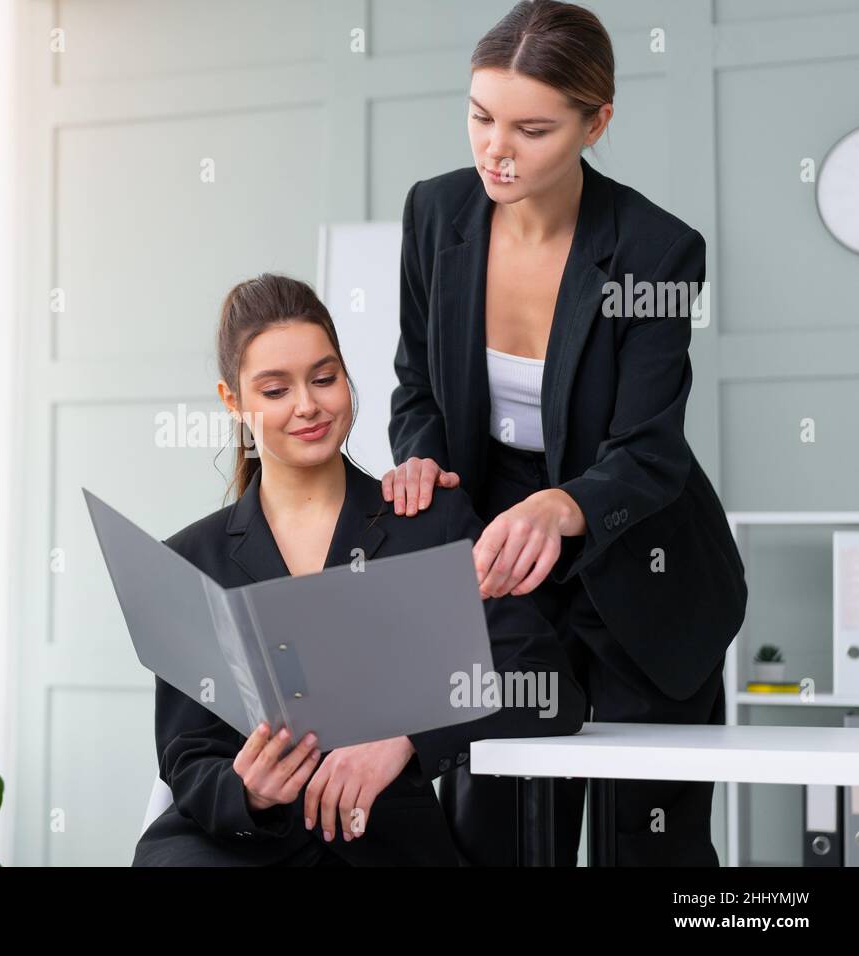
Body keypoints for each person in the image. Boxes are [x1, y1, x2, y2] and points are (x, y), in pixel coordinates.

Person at [385, 0, 748, 865]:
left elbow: (649, 451)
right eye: (480, 117)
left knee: (648, 849)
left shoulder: (655, 252)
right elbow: (415, 389)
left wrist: (560, 506)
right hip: (500, 578)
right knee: (495, 833)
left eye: (533, 128)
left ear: (597, 123)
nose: (496, 150)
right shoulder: (435, 215)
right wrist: (421, 459)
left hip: (641, 573)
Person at [133, 272, 585, 866]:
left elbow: (546, 687)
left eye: (324, 378)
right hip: (235, 849)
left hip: (381, 846)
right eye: (275, 391)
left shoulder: (427, 523)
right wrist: (248, 790)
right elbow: (188, 753)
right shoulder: (192, 561)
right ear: (233, 402)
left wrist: (409, 738)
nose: (308, 406)